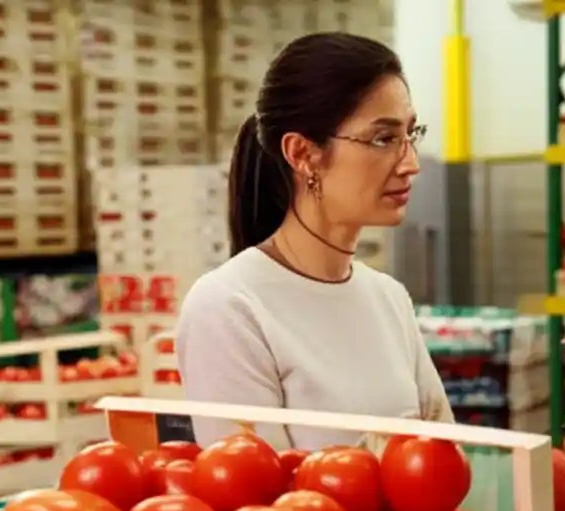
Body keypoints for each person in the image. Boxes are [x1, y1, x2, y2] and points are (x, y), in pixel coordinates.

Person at [176, 32, 453, 450]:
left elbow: (449, 456)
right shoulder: (230, 308)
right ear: (303, 154)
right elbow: (255, 499)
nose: (410, 163)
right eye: (383, 138)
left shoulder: (389, 299)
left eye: (411, 135)